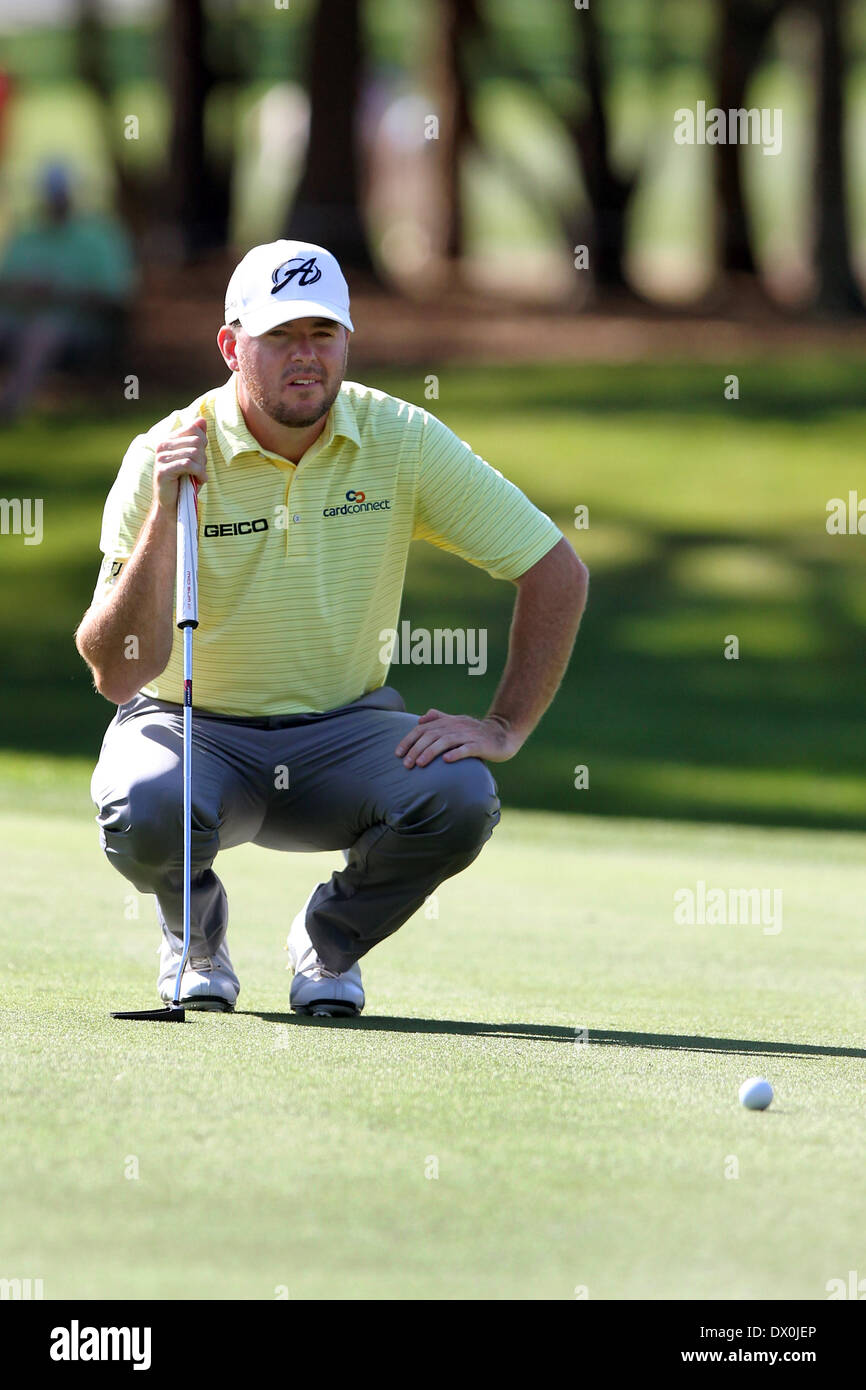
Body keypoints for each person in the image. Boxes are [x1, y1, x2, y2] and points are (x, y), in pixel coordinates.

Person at [74, 239, 588, 1016]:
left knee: (461, 795)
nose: (304, 357)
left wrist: (505, 726)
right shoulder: (165, 455)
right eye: (280, 336)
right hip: (193, 730)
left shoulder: (399, 438)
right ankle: (196, 938)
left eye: (323, 334)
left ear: (349, 339)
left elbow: (556, 573)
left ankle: (329, 942)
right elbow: (115, 674)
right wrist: (165, 517)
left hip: (343, 733)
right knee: (145, 803)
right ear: (231, 345)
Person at [0, 162, 135, 420]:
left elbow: (116, 297)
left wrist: (61, 293)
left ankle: (9, 409)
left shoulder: (99, 237)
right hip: (18, 319)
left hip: (81, 329)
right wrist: (25, 290)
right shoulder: (27, 236)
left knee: (44, 332)